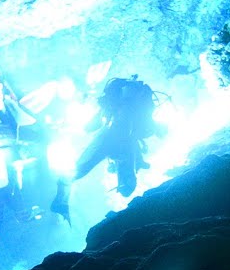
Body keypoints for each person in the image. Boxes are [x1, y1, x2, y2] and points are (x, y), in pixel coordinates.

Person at [50, 74, 163, 221]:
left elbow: (92, 126)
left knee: (78, 170)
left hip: (107, 138)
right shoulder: (136, 105)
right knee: (126, 186)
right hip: (124, 142)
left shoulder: (115, 104)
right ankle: (60, 203)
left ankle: (60, 202)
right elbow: (145, 130)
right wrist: (139, 159)